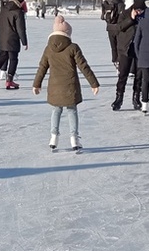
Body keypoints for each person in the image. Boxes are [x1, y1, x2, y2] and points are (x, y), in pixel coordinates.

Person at [32, 15, 100, 152]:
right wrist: (94, 83)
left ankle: (53, 137)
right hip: (70, 86)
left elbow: (42, 67)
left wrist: (36, 84)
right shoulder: (73, 47)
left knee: (56, 110)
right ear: (68, 34)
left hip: (54, 86)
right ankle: (74, 138)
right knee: (72, 110)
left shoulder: (48, 48)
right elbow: (83, 66)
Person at [0, 0, 28, 90]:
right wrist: (24, 42)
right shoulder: (18, 12)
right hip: (13, 39)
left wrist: (5, 29)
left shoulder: (4, 8)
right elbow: (20, 29)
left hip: (2, 37)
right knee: (13, 59)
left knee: (3, 57)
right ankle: (9, 81)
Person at [111, 0, 145, 110]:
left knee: (139, 76)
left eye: (141, 10)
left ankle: (136, 98)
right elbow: (119, 27)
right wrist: (131, 18)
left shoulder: (146, 15)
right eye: (137, 10)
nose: (139, 12)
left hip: (140, 49)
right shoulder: (125, 14)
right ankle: (118, 98)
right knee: (123, 75)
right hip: (126, 48)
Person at [103, 0, 125, 64]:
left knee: (113, 46)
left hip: (109, 28)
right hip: (117, 28)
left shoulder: (109, 4)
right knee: (119, 45)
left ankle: (114, 59)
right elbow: (122, 16)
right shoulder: (121, 5)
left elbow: (103, 17)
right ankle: (119, 60)